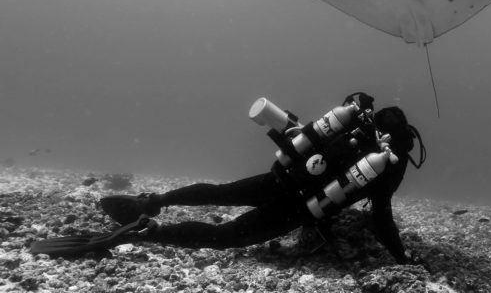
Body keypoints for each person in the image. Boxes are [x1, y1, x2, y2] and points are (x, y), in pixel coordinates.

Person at [30, 93, 425, 264]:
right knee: (228, 237)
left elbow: (305, 139)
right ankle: (145, 231)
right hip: (299, 207)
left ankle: (153, 201)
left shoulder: (350, 124)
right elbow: (381, 216)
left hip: (280, 178)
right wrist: (401, 256)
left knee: (220, 193)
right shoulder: (388, 161)